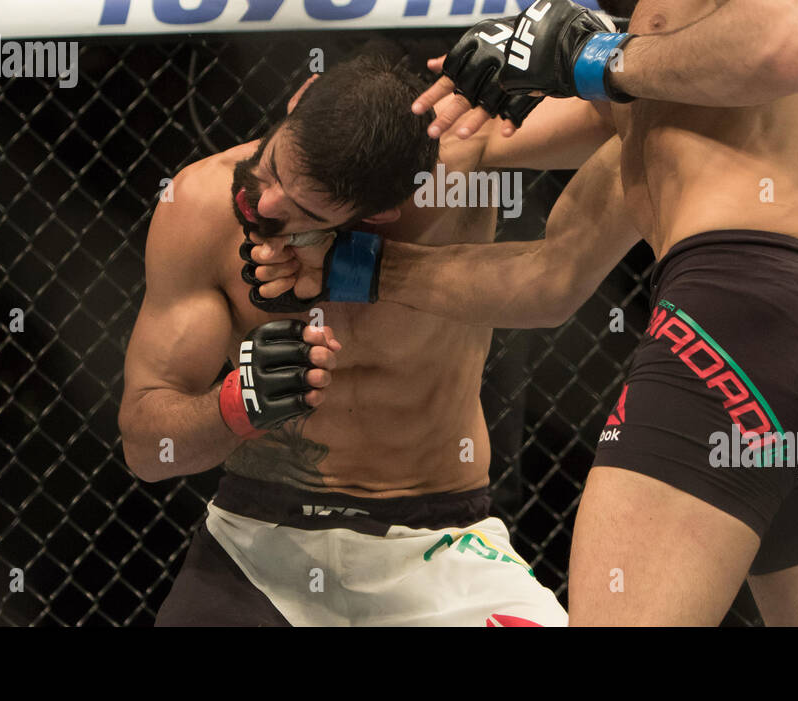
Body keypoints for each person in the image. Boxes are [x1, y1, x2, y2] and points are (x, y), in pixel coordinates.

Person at [260, 0, 798, 626]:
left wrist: (597, 59)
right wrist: (347, 234)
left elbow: (783, 43)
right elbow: (549, 272)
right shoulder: (666, 84)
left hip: (731, 327)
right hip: (795, 355)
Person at [120, 50, 612, 625]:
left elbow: (641, 115)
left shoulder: (460, 166)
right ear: (299, 98)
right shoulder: (201, 206)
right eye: (277, 167)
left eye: (306, 207)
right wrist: (236, 405)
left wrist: (574, 53)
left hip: (440, 543)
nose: (267, 201)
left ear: (376, 215)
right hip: (259, 538)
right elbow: (146, 449)